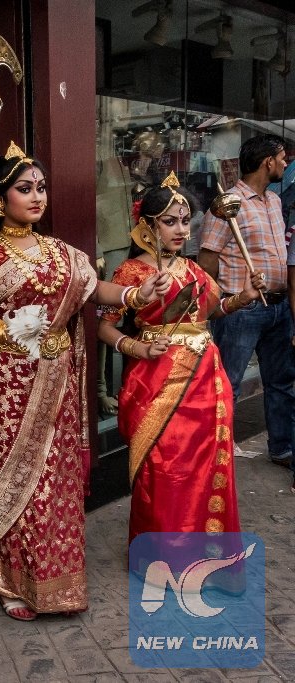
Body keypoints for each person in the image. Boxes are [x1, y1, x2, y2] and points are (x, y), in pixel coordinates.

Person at [0, 141, 170, 622]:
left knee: (57, 478)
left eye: (41, 188)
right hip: (5, 375)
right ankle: (12, 580)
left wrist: (135, 293)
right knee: (16, 474)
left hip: (58, 373)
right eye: (24, 189)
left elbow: (95, 293)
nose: (37, 196)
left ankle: (57, 581)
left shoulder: (62, 252)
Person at [98, 174, 265, 540]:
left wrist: (244, 297)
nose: (180, 229)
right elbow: (104, 328)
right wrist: (138, 348)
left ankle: (206, 551)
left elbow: (211, 311)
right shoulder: (132, 271)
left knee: (204, 466)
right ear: (148, 225)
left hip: (206, 378)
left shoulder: (192, 269)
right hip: (156, 379)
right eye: (169, 221)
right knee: (166, 466)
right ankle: (164, 555)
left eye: (185, 220)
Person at [199, 134, 295, 473]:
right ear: (268, 161)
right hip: (242, 310)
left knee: (281, 381)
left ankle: (282, 447)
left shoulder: (273, 201)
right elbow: (207, 261)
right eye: (283, 158)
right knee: (228, 384)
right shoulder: (228, 204)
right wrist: (223, 301)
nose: (285, 164)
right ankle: (214, 456)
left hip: (279, 307)